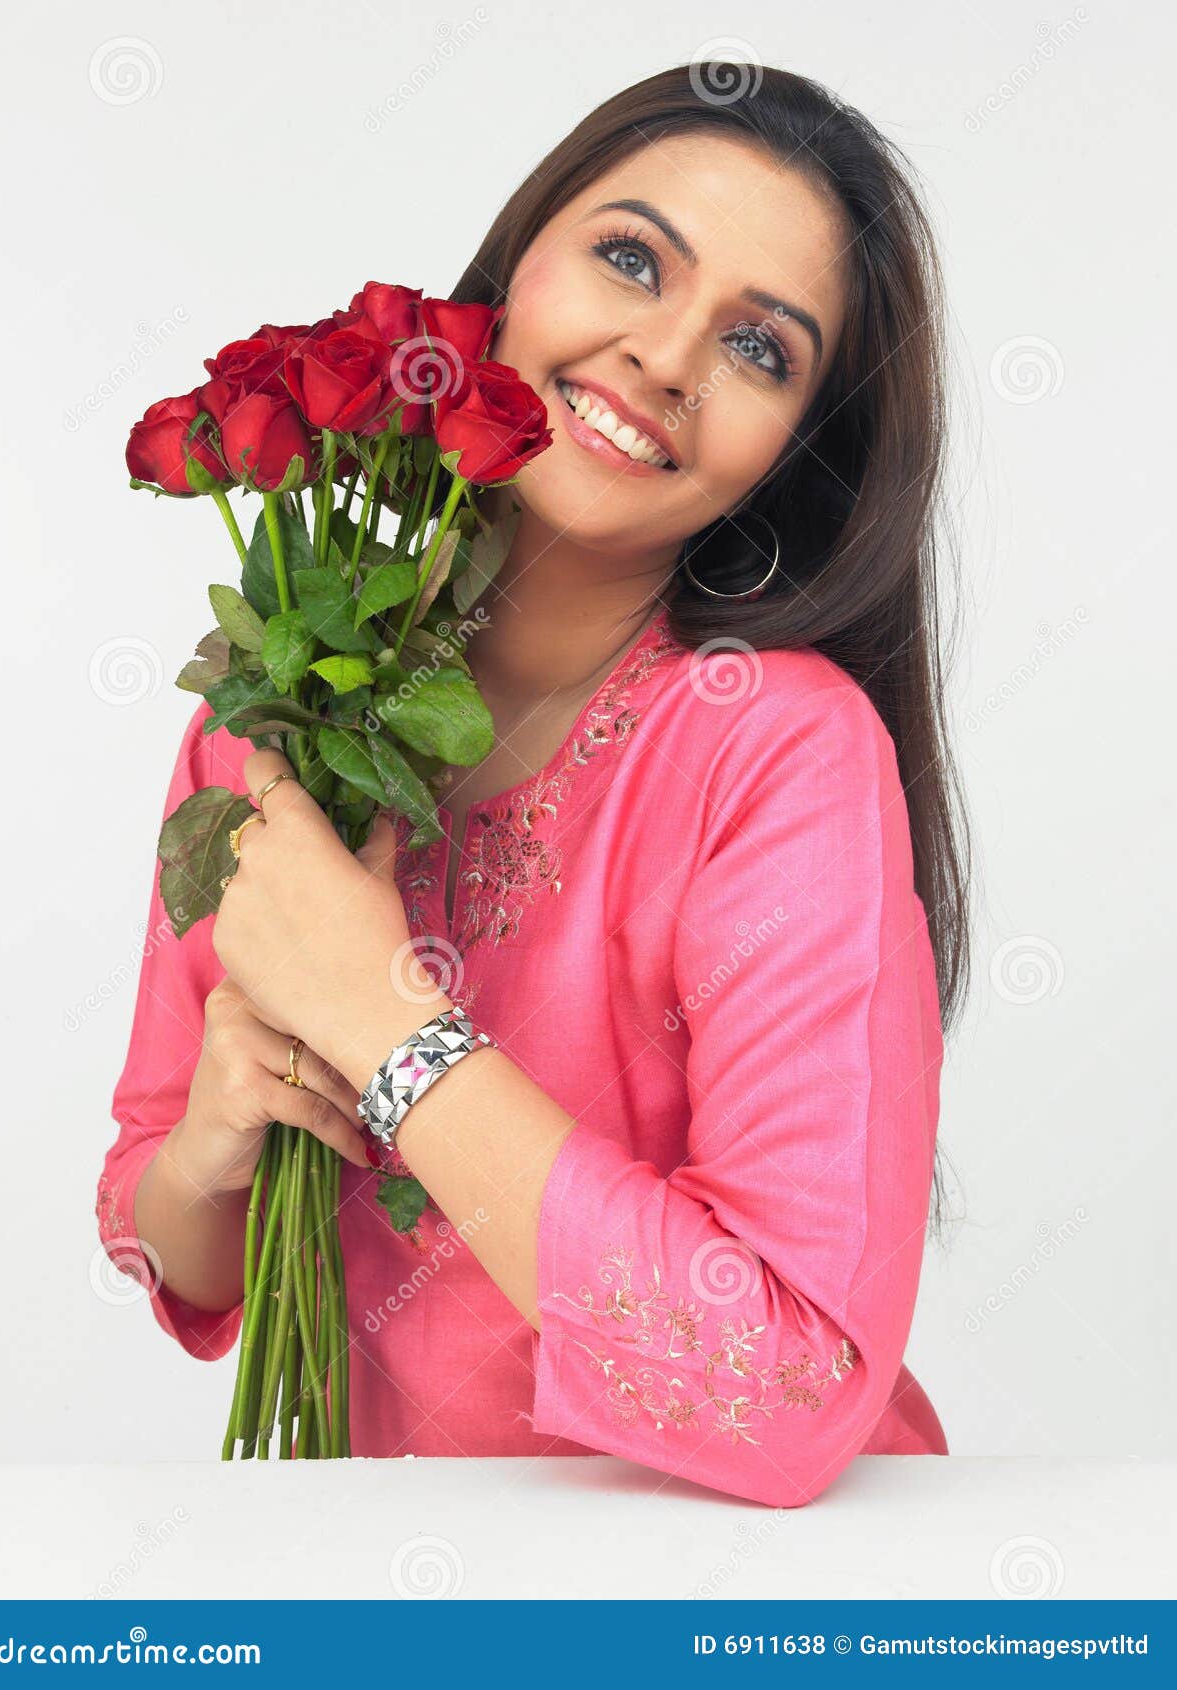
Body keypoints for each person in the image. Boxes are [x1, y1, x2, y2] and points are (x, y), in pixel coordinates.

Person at [96, 59, 971, 1508]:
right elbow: (158, 1231)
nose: (669, 353)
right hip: (411, 1581)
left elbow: (793, 1388)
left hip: (754, 1599)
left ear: (792, 461)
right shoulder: (277, 723)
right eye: (633, 258)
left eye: (762, 350)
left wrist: (389, 1027)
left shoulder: (779, 754)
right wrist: (213, 1142)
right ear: (509, 275)